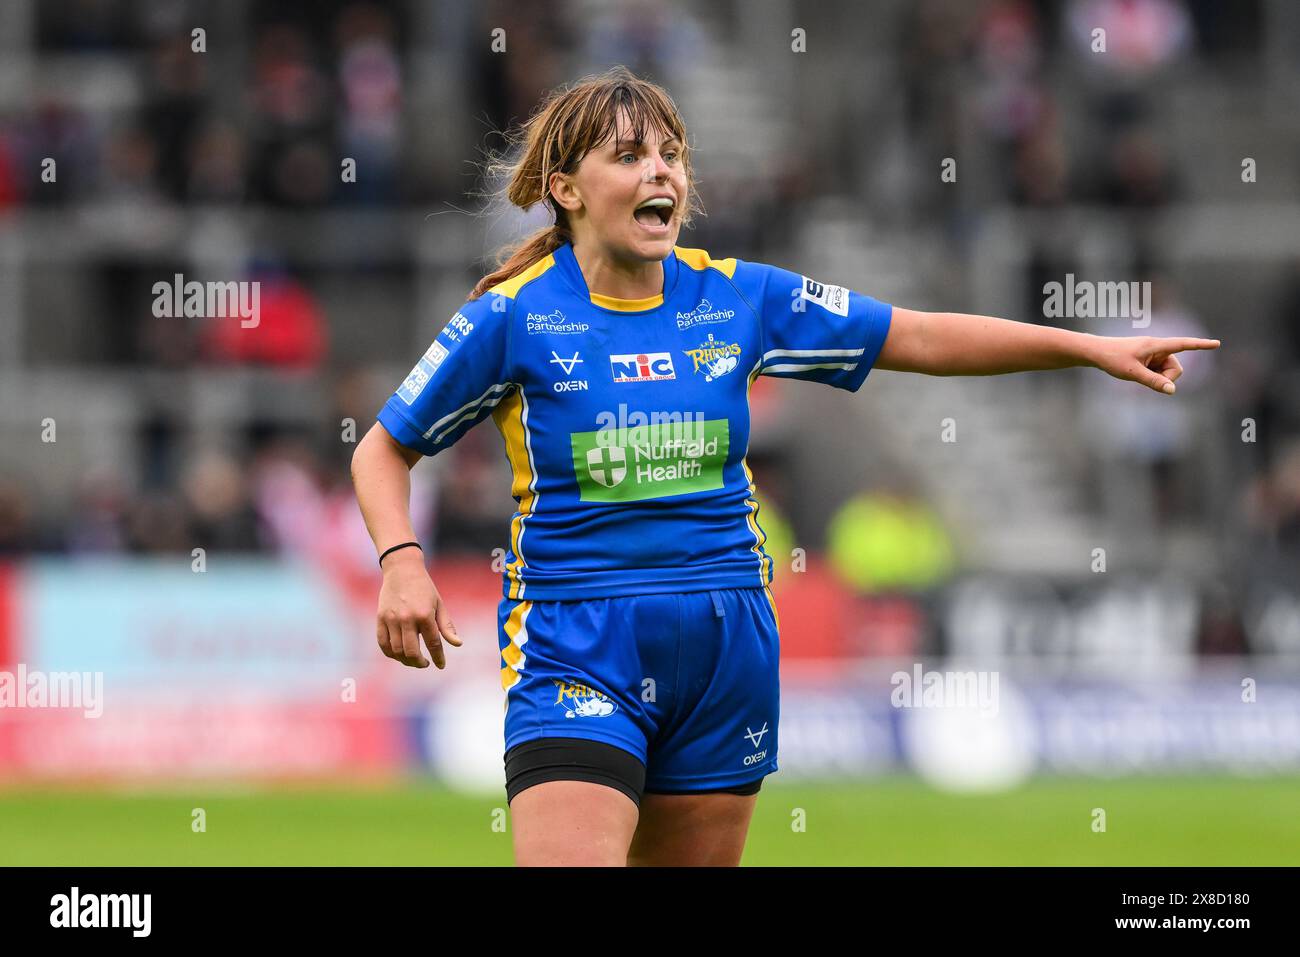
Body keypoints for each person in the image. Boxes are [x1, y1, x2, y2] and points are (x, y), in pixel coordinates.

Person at [350, 66, 1220, 866]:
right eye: (629, 156)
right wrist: (401, 560)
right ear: (566, 190)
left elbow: (915, 335)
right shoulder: (512, 318)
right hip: (575, 644)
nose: (661, 172)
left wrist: (1088, 349)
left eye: (672, 155)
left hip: (725, 645)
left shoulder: (739, 297)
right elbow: (383, 448)